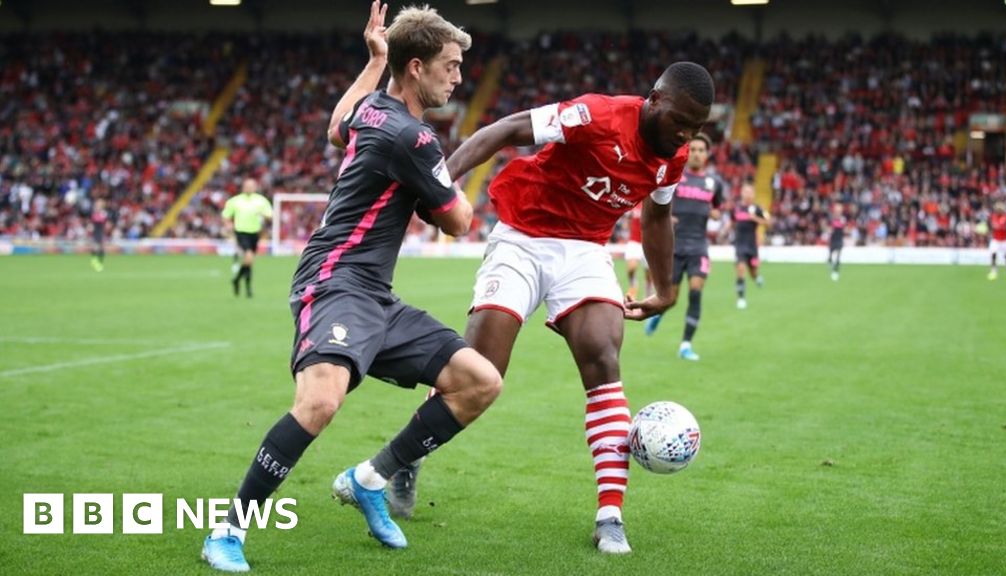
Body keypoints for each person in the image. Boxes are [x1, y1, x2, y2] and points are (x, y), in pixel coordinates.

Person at [201, 3, 502, 571]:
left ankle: (369, 479)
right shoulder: (412, 139)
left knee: (479, 382)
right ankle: (226, 532)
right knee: (319, 401)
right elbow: (459, 221)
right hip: (334, 281)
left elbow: (337, 126)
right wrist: (446, 182)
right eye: (452, 65)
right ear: (417, 67)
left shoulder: (377, 110)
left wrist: (373, 62)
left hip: (373, 295)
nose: (459, 77)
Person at [389, 61, 715, 554]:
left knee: (605, 357)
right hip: (522, 236)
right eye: (680, 121)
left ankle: (610, 515)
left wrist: (665, 289)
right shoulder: (597, 115)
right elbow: (505, 130)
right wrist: (440, 184)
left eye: (696, 127)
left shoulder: (675, 156)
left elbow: (657, 215)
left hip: (584, 249)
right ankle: (406, 458)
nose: (685, 135)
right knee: (478, 373)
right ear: (655, 99)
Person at [643, 133, 723, 361]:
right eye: (694, 149)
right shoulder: (675, 177)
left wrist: (716, 213)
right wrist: (667, 217)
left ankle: (686, 345)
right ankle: (658, 316)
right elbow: (658, 202)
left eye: (701, 150)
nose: (697, 153)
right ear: (688, 153)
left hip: (698, 246)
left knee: (696, 292)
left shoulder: (714, 183)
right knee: (672, 297)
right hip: (675, 247)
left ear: (707, 155)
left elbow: (718, 208)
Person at [222, 178, 273, 298]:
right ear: (243, 187)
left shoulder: (261, 201)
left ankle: (240, 282)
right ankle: (246, 287)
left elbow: (270, 215)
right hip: (241, 232)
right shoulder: (235, 201)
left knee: (249, 261)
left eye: (251, 186)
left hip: (255, 233)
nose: (249, 188)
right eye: (247, 185)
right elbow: (225, 215)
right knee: (249, 257)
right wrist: (228, 225)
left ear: (255, 187)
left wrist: (264, 215)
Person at [730, 181, 770, 309]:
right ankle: (741, 299)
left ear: (753, 194)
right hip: (739, 245)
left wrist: (755, 219)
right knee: (741, 270)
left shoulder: (758, 209)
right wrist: (726, 230)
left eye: (750, 192)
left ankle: (757, 277)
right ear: (741, 193)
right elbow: (732, 222)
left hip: (752, 246)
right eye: (745, 192)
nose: (747, 194)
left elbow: (768, 223)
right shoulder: (736, 208)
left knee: (753, 273)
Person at [623, 205, 653, 299]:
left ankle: (648, 293)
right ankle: (633, 285)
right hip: (634, 242)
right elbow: (627, 218)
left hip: (648, 242)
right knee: (631, 268)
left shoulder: (652, 203)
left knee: (649, 273)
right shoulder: (635, 202)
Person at [987, 202, 1006, 281]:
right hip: (996, 239)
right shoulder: (993, 216)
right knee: (993, 255)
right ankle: (993, 272)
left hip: (1004, 240)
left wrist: (1003, 227)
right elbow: (993, 226)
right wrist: (999, 227)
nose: (998, 210)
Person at [89, 198, 109, 272]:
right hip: (96, 232)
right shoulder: (95, 213)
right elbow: (93, 221)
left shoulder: (104, 213)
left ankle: (99, 262)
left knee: (102, 248)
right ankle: (95, 262)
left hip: (101, 231)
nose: (98, 206)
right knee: (96, 247)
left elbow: (105, 222)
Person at [828, 202, 845, 282]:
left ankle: (835, 270)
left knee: (838, 255)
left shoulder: (842, 219)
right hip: (833, 239)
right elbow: (829, 229)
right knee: (831, 255)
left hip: (839, 239)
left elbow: (844, 228)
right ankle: (831, 263)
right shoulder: (832, 219)